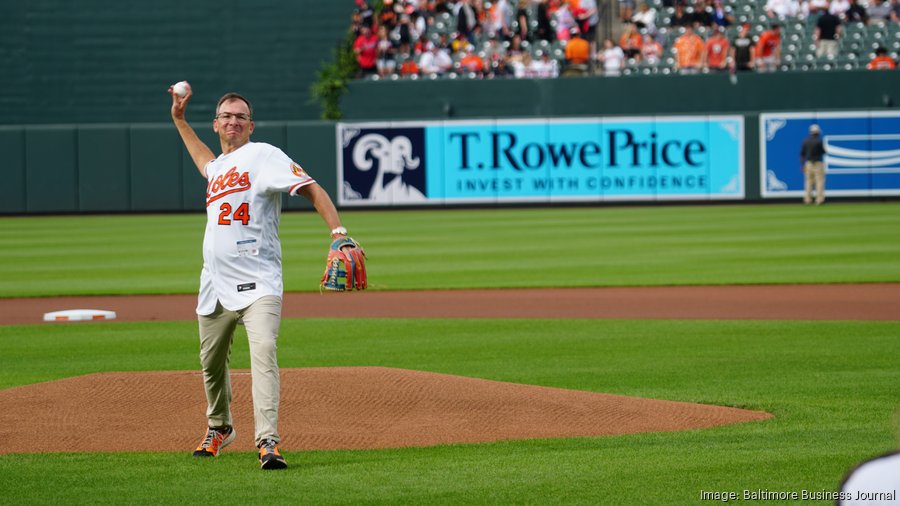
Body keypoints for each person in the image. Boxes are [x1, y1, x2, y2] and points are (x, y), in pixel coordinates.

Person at [167, 84, 354, 470]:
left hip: (260, 283)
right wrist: (179, 119)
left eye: (240, 116)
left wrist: (339, 234)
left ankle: (268, 441)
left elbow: (312, 188)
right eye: (226, 116)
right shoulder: (218, 168)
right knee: (211, 363)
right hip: (214, 284)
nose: (233, 121)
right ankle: (220, 428)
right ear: (216, 125)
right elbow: (204, 159)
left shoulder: (264, 155)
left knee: (264, 353)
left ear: (250, 126)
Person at [800, 123, 827, 205]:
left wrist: (802, 165)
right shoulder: (819, 141)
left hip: (808, 163)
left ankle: (807, 200)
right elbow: (823, 152)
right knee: (819, 182)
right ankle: (819, 200)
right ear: (817, 132)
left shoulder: (805, 141)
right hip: (818, 163)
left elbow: (802, 154)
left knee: (808, 182)